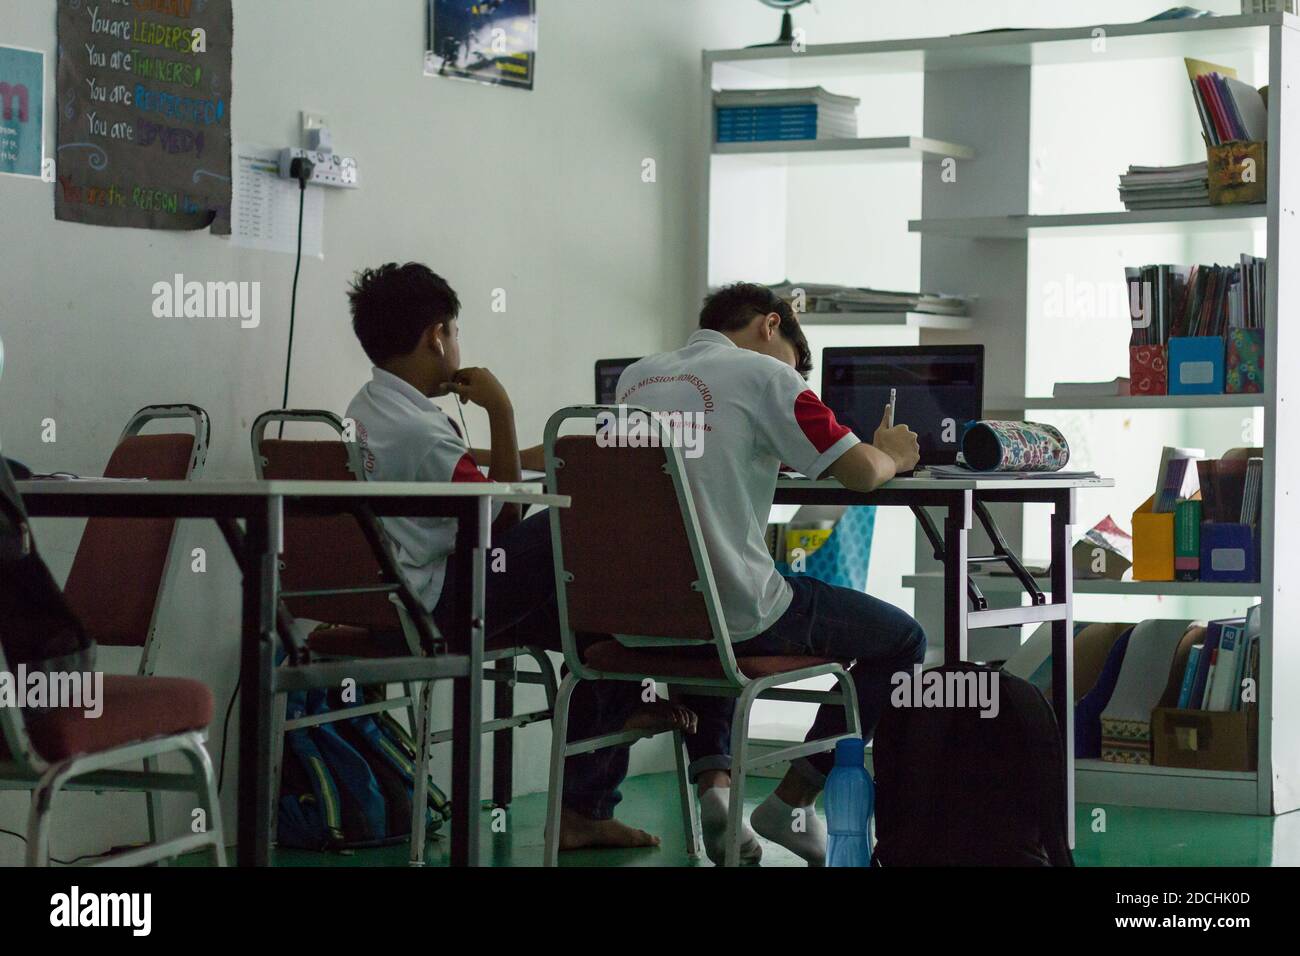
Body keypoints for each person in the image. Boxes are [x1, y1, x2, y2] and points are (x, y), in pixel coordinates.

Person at [343, 262, 696, 851]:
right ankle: (626, 714)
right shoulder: (426, 434)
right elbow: (503, 519)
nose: (457, 345)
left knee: (588, 614)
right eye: (454, 333)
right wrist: (500, 410)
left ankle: (588, 801)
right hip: (444, 607)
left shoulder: (369, 408)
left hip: (395, 602)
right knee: (581, 529)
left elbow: (464, 483)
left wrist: (520, 451)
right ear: (438, 335)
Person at [615, 281, 928, 866]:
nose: (798, 375)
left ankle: (715, 788)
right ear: (771, 325)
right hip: (733, 615)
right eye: (797, 362)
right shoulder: (766, 375)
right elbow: (860, 473)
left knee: (710, 602)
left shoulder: (638, 377)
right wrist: (893, 452)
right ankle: (792, 800)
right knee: (903, 639)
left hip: (643, 619)